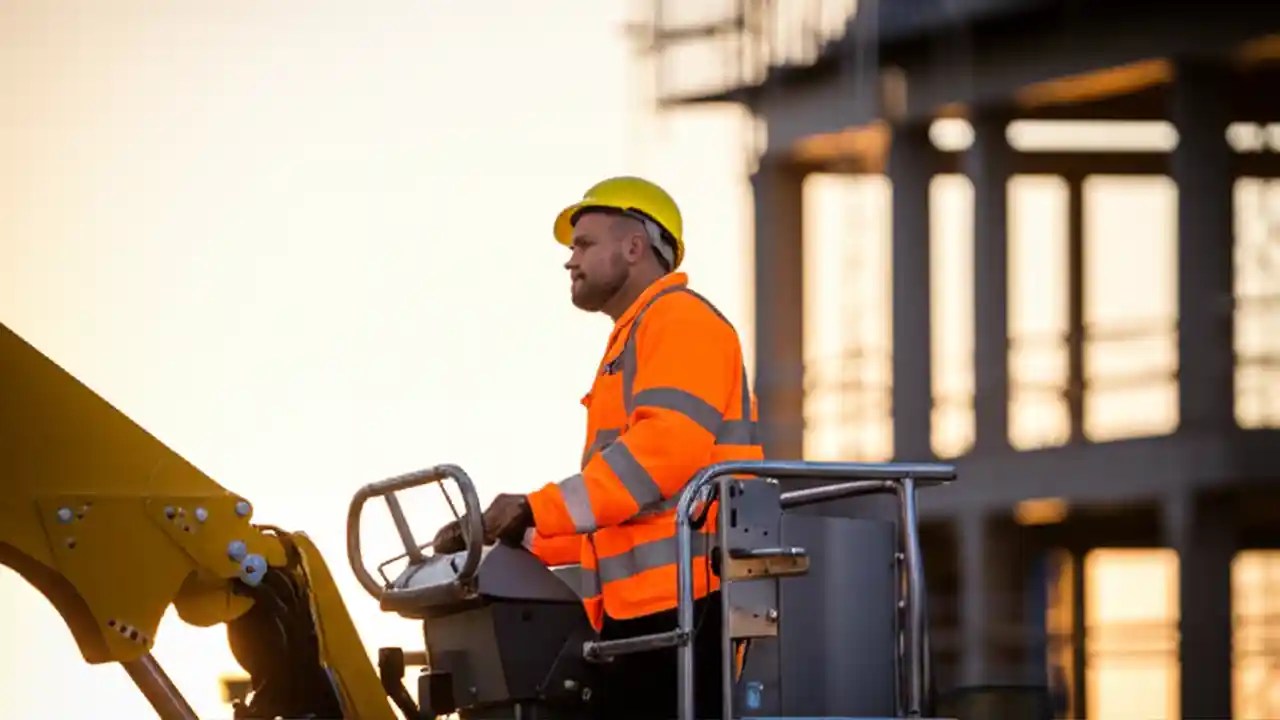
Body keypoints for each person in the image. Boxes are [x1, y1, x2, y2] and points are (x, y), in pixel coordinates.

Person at [432, 176, 764, 718]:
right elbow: (616, 512)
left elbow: (663, 456)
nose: (570, 261)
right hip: (641, 614)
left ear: (634, 247)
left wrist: (535, 507)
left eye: (583, 244)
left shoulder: (679, 319)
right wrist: (517, 537)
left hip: (691, 605)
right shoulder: (635, 336)